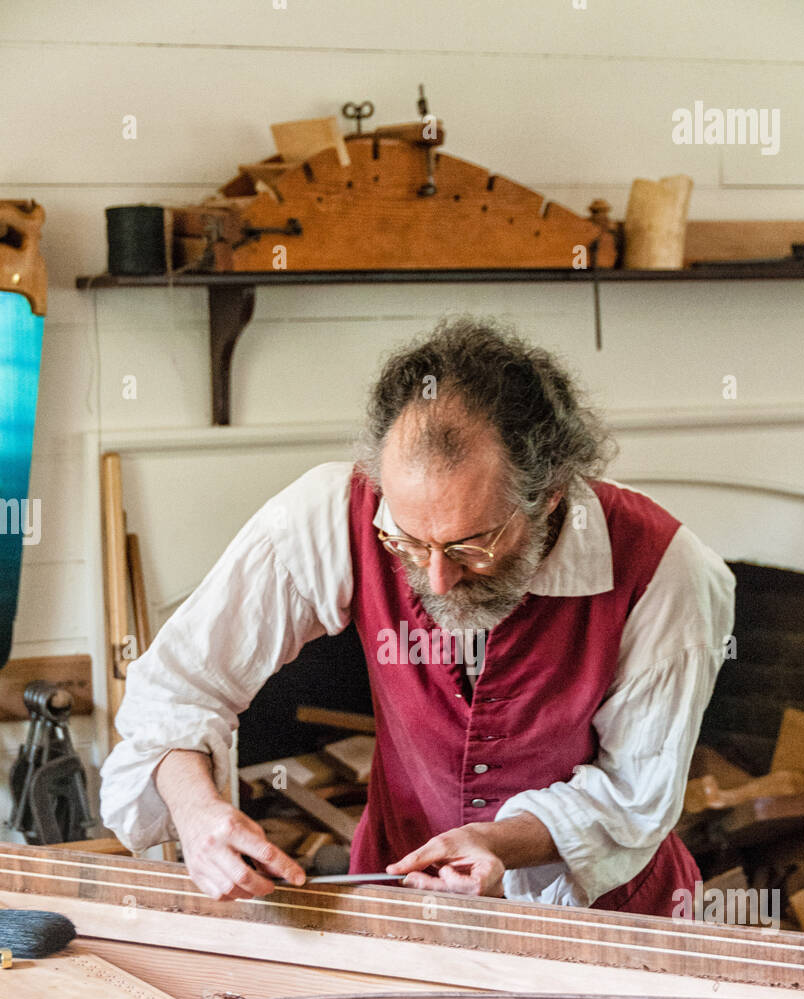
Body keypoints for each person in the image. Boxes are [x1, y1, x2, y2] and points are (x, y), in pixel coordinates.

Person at [100, 317, 734, 910]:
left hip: (607, 918)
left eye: (471, 544)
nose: (436, 577)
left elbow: (633, 795)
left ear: (550, 494)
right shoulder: (335, 512)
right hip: (399, 892)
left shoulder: (667, 570)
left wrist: (497, 843)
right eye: (407, 542)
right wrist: (198, 813)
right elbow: (178, 688)